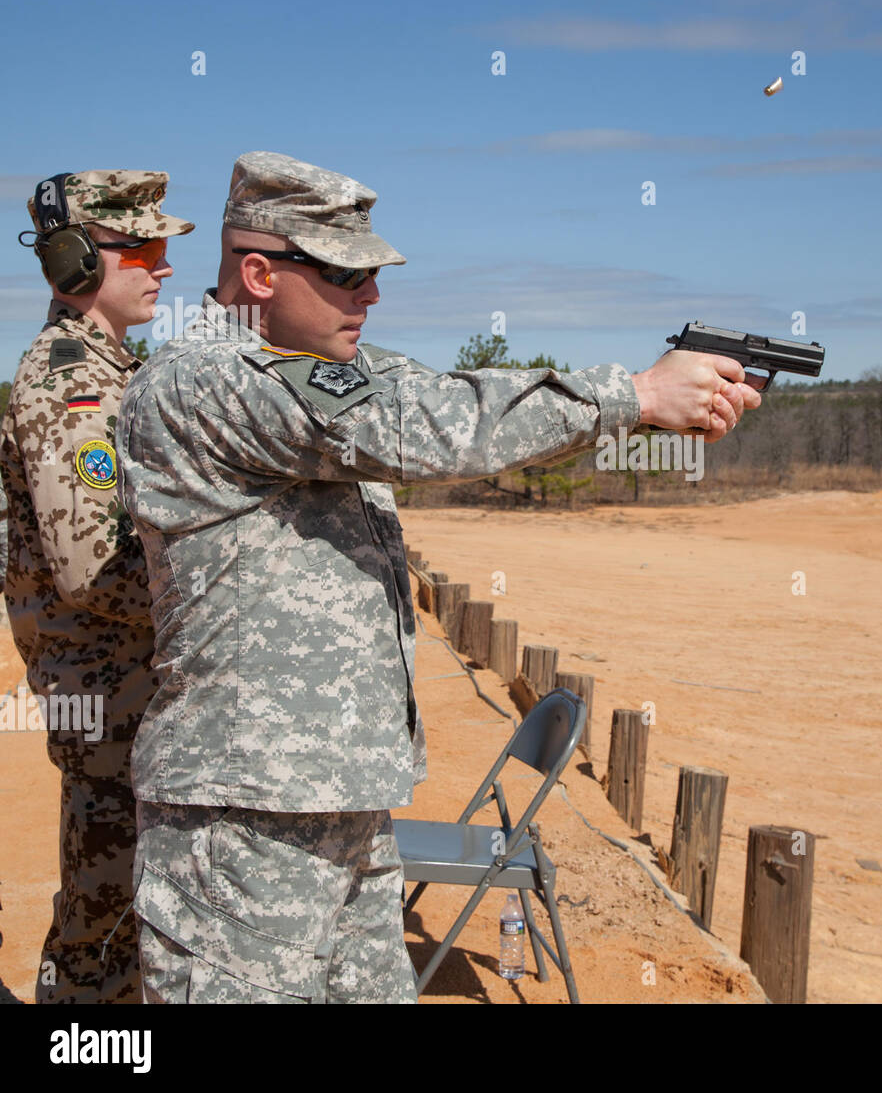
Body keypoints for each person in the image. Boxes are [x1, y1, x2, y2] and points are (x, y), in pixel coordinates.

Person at [116, 150, 760, 1003]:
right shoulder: (205, 375)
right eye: (347, 274)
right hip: (243, 812)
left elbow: (457, 393)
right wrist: (634, 395)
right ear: (260, 273)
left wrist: (654, 399)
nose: (370, 295)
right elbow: (428, 423)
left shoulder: (311, 374)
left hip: (337, 793)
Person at [1, 170, 192, 1002]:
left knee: (123, 909)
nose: (163, 265)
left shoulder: (107, 367)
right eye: (143, 247)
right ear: (78, 262)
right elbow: (94, 569)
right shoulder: (69, 379)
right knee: (105, 917)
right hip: (108, 688)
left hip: (125, 686)